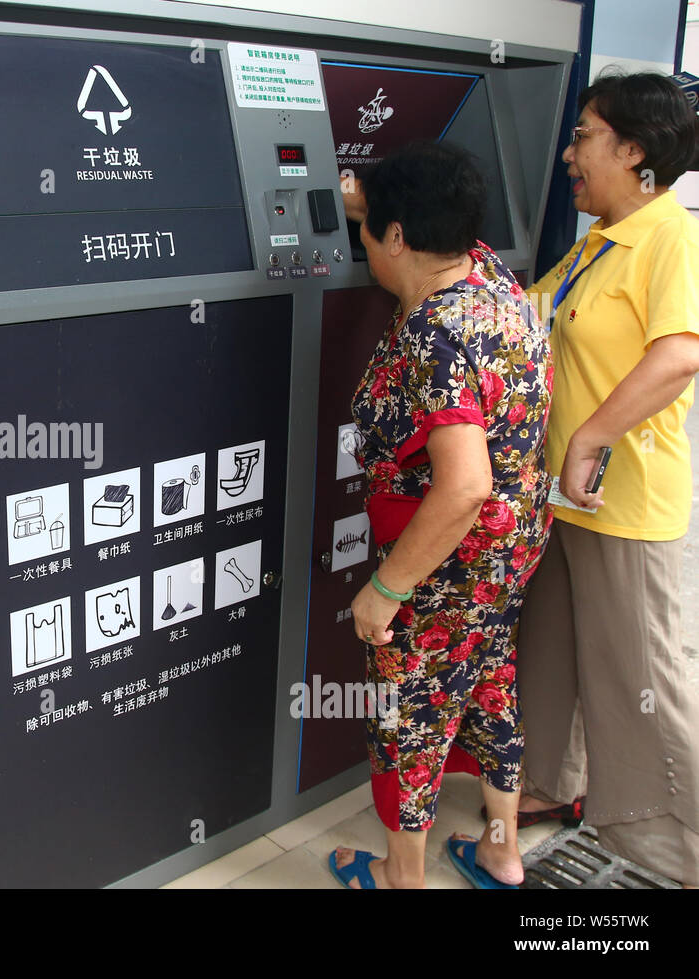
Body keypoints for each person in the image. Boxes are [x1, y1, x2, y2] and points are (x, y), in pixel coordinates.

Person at [329, 141, 553, 889]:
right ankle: (501, 850)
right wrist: (367, 197)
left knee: (407, 718)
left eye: (369, 231)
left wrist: (386, 588)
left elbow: (461, 487)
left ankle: (402, 877)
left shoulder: (434, 336)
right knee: (491, 686)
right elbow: (434, 212)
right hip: (509, 556)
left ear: (397, 238)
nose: (361, 243)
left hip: (444, 567)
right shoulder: (491, 278)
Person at [517, 71, 699, 887]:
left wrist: (588, 437)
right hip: (565, 503)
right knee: (552, 658)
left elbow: (682, 352)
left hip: (624, 503)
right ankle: (553, 788)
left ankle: (682, 847)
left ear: (633, 151)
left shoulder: (671, 238)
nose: (567, 153)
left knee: (646, 686)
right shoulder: (600, 240)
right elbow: (530, 312)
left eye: (584, 135)